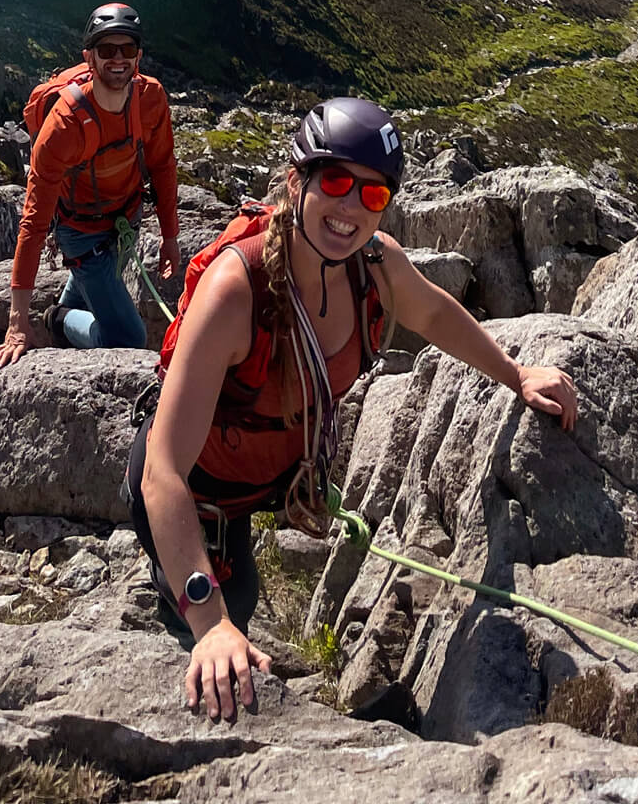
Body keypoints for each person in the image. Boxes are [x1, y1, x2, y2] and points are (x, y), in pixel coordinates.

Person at [125, 97, 580, 721]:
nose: (350, 209)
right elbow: (162, 471)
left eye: (372, 196)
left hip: (256, 485)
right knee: (223, 640)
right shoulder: (237, 290)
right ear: (296, 181)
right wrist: (208, 623)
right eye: (336, 182)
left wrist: (515, 374)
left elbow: (436, 314)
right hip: (195, 493)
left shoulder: (374, 265)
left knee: (242, 601)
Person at [0, 3, 181, 365]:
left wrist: (170, 237)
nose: (118, 59)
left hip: (125, 216)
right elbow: (33, 225)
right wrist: (17, 322)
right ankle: (59, 320)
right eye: (106, 50)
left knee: (94, 285)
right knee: (128, 336)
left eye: (127, 49)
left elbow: (162, 166)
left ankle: (68, 307)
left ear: (138, 56)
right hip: (81, 231)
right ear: (89, 58)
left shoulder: (150, 98)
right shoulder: (63, 127)